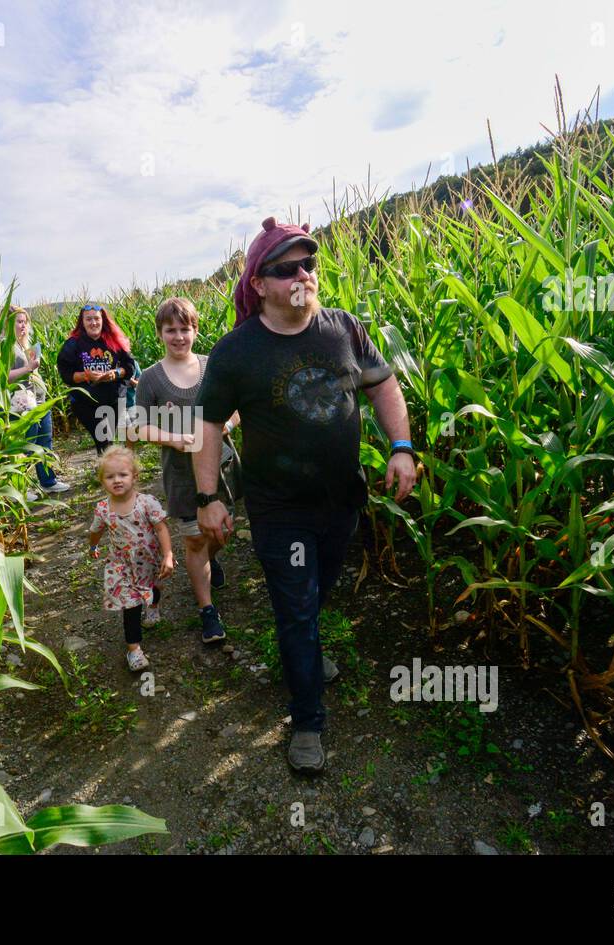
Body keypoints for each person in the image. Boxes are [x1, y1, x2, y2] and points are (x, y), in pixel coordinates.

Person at [193, 216, 417, 774]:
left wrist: (401, 446)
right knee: (295, 609)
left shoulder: (344, 328)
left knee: (316, 595)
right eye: (286, 267)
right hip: (279, 508)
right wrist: (208, 498)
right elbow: (210, 427)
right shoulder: (235, 352)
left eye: (309, 263)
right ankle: (307, 721)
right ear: (259, 284)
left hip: (342, 498)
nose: (303, 274)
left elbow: (383, 382)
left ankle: (306, 653)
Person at [131, 297, 239, 645]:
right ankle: (207, 610)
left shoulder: (214, 367)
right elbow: (140, 427)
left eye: (185, 329)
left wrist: (227, 425)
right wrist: (176, 439)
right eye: (170, 330)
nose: (178, 337)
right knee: (194, 539)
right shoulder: (150, 379)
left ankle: (210, 559)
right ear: (160, 333)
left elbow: (237, 408)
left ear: (195, 330)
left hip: (221, 466)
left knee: (221, 532)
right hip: (181, 474)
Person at [87, 446, 174, 671]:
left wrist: (168, 554)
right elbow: (95, 530)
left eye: (122, 474)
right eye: (110, 476)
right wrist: (93, 545)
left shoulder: (147, 502)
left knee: (153, 587)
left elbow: (161, 528)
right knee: (131, 605)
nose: (117, 480)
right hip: (121, 566)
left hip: (149, 560)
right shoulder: (103, 509)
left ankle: (154, 605)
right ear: (102, 481)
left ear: (134, 476)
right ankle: (134, 650)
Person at [7, 305, 71, 500]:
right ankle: (21, 489)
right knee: (26, 447)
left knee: (44, 443)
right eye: (19, 322)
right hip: (22, 405)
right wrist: (28, 368)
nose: (23, 326)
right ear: (8, 324)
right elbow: (3, 377)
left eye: (25, 322)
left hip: (39, 400)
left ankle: (48, 481)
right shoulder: (5, 346)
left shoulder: (24, 345)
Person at [56, 303, 137, 455]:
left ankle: (107, 469)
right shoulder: (73, 344)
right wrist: (86, 375)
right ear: (82, 322)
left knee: (107, 439)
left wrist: (115, 373)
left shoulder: (114, 340)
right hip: (86, 404)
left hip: (114, 400)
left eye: (96, 319)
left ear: (103, 320)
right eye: (88, 319)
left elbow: (129, 366)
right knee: (104, 437)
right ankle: (109, 471)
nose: (93, 323)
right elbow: (65, 373)